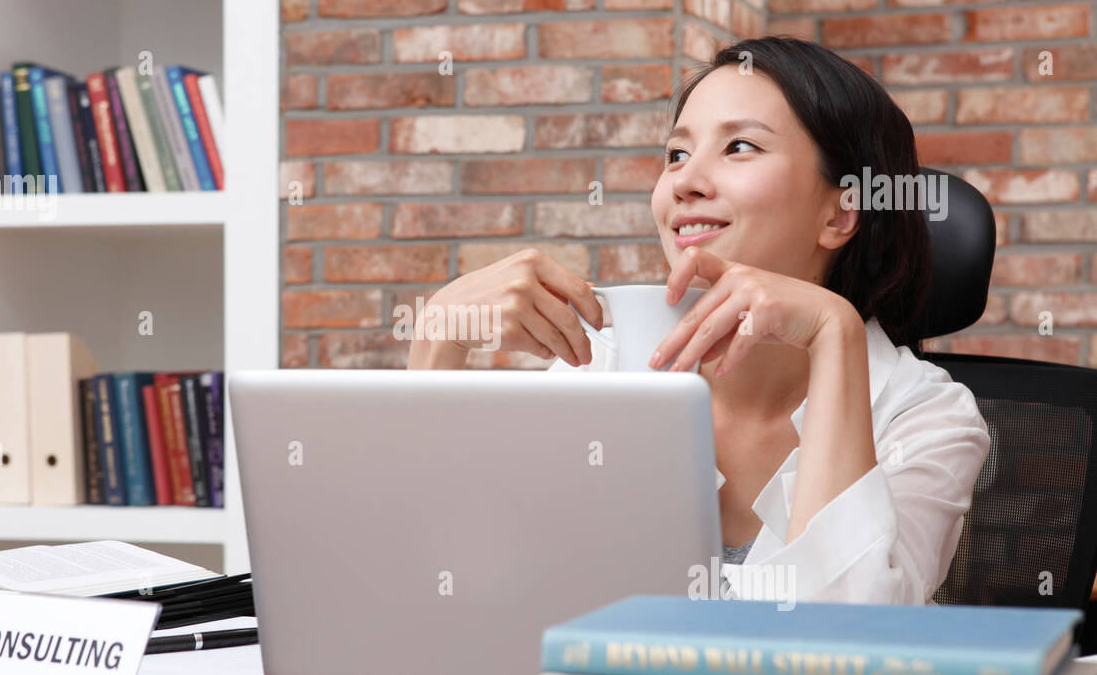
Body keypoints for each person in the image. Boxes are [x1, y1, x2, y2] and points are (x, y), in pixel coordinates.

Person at [407, 35, 991, 605]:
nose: (684, 182)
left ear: (840, 215)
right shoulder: (602, 367)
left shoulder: (927, 420)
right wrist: (437, 344)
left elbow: (837, 644)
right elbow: (460, 583)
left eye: (740, 147)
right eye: (676, 155)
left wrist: (833, 331)